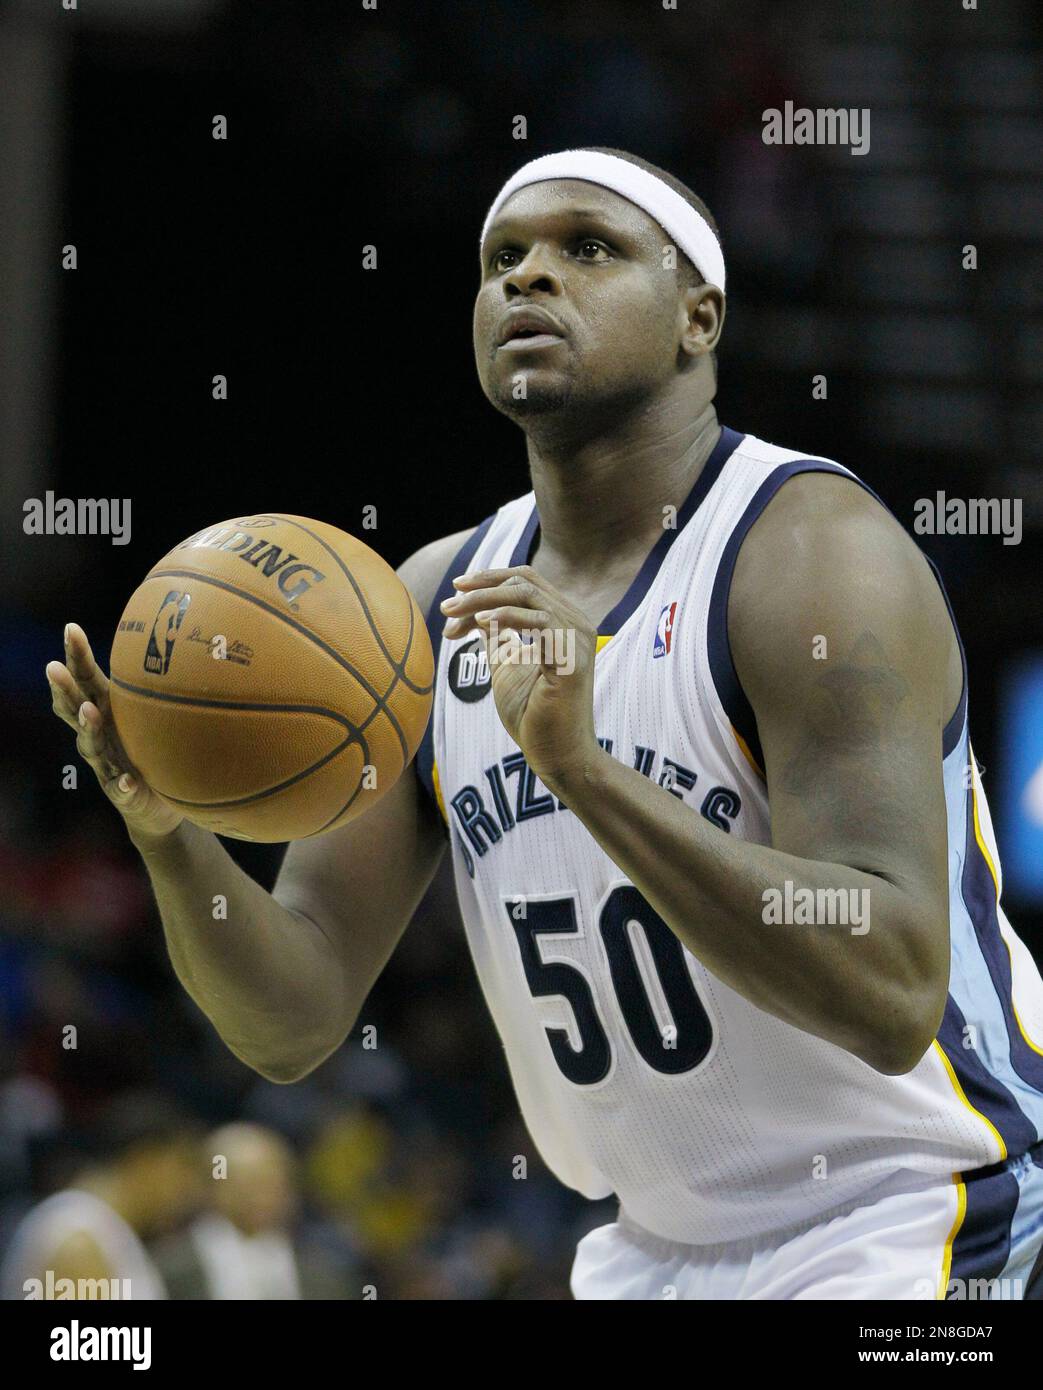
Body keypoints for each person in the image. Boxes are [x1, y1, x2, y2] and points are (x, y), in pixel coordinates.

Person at [47, 147, 1043, 1301]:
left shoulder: (807, 557)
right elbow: (293, 1016)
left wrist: (582, 769)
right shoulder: (423, 604)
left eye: (586, 249)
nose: (527, 278)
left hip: (913, 1207)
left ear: (697, 315)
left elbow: (891, 989)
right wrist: (169, 833)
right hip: (647, 1248)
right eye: (500, 259)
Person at [1, 1091, 202, 1299]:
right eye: (182, 1166)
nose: (186, 1187)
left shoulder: (107, 1230)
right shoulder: (79, 1242)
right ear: (147, 1162)